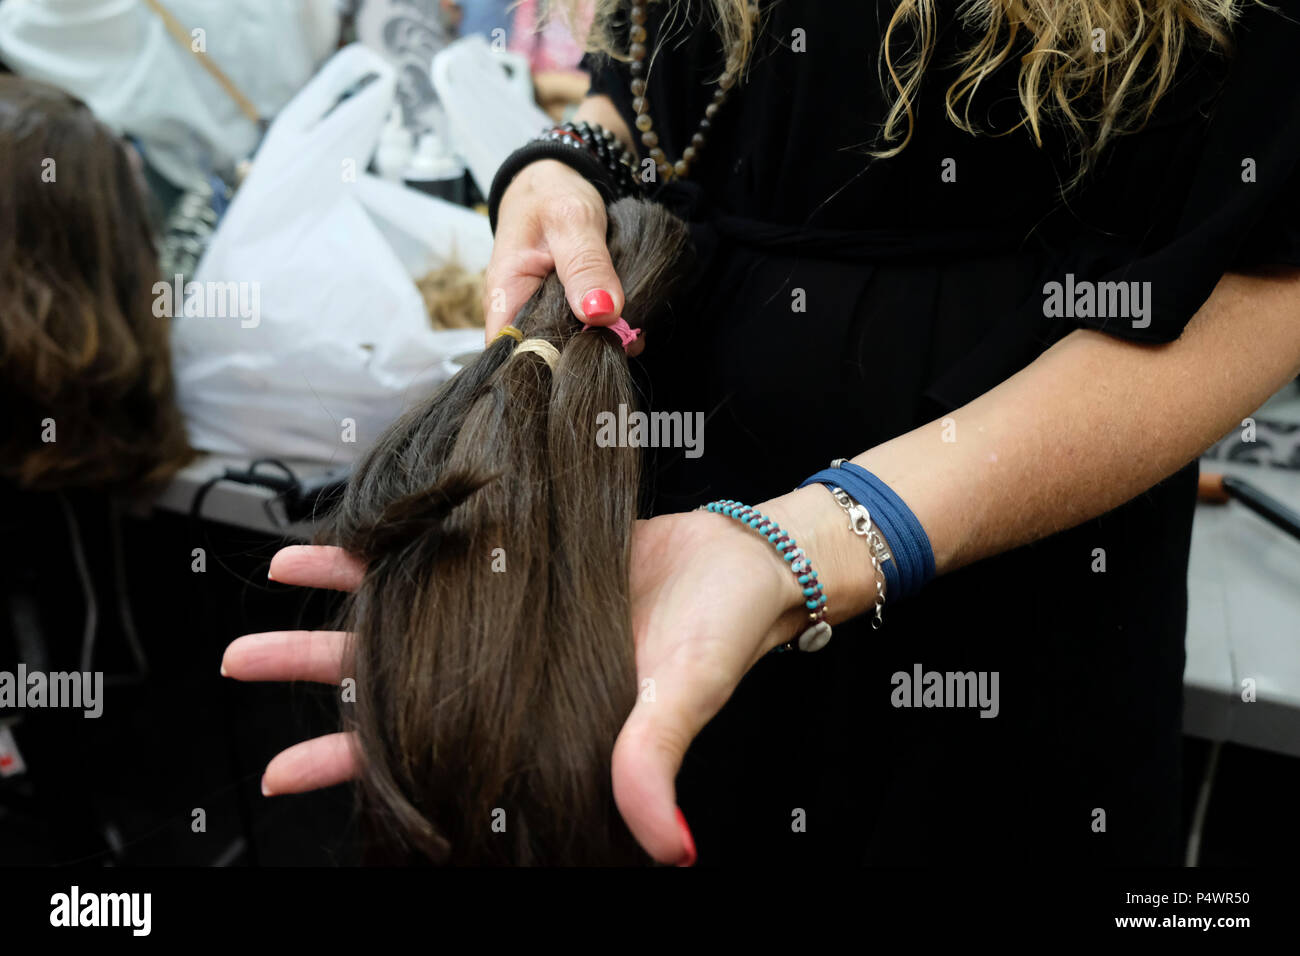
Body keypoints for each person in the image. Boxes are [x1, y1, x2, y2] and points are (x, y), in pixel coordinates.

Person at [223, 0, 1300, 865]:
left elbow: (1267, 274)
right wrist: (562, 166)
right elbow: (647, 93)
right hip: (675, 506)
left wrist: (823, 536)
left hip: (1018, 544)